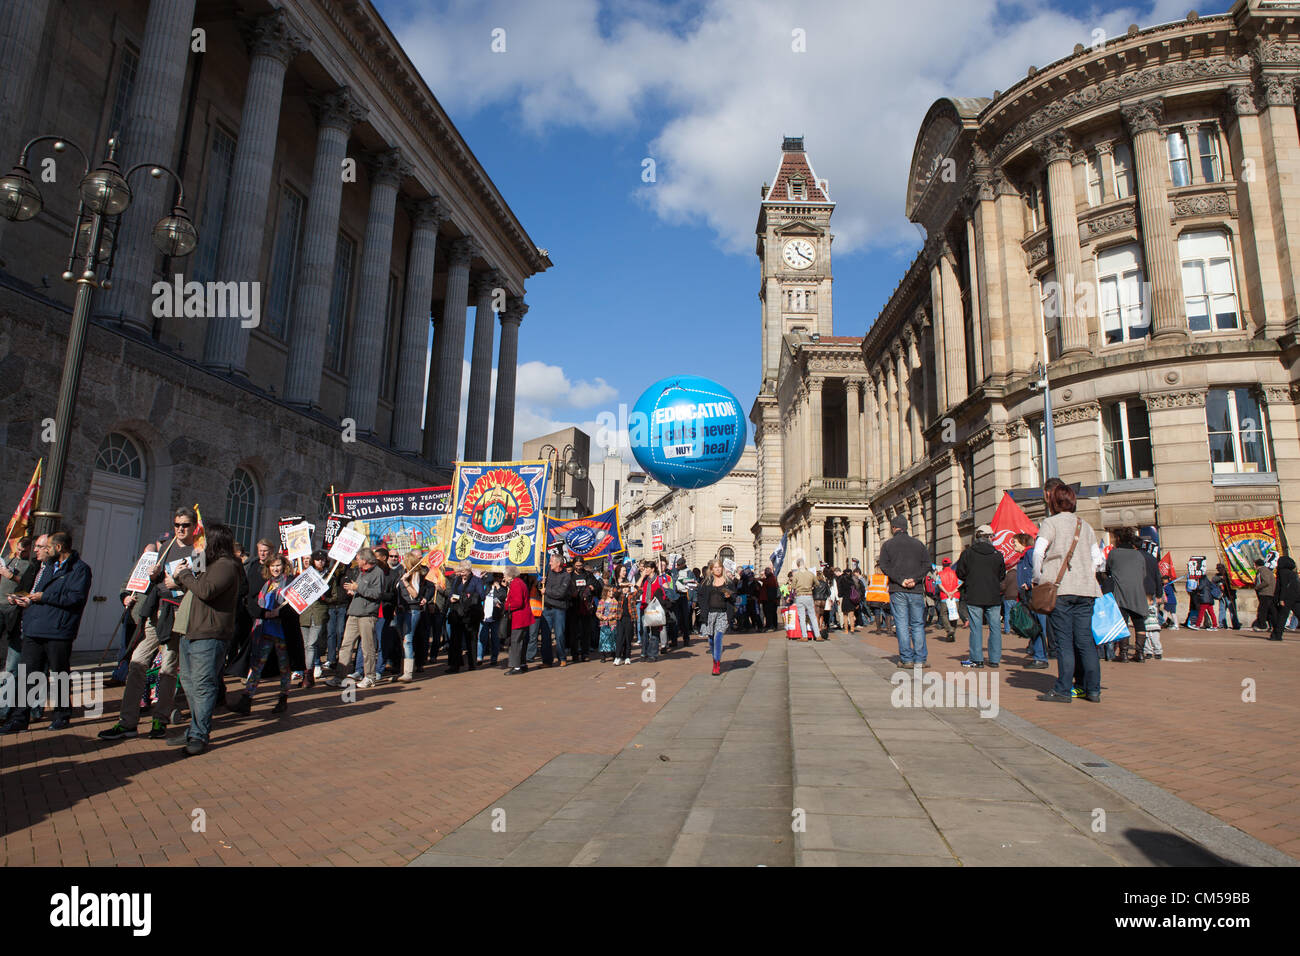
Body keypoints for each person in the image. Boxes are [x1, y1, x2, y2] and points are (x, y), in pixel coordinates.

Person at [1, 531, 92, 733]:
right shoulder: (46, 567)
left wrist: (44, 597)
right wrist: (26, 600)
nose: (43, 551)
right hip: (35, 627)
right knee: (27, 675)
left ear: (58, 548)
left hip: (59, 630)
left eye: (48, 547)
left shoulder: (80, 570)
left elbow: (75, 598)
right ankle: (19, 718)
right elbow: (36, 592)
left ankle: (61, 715)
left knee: (59, 673)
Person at [163, 523, 240, 756]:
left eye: (203, 540)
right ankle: (194, 729)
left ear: (216, 541)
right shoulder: (209, 563)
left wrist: (184, 574)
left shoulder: (227, 565)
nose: (200, 543)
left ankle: (199, 735)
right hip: (192, 630)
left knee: (203, 685)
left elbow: (206, 590)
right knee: (189, 682)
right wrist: (187, 572)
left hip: (210, 633)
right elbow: (195, 587)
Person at [1034, 483, 1104, 703]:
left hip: (1060, 589)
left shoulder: (1050, 523)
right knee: (1085, 640)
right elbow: (1099, 560)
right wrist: (1087, 574)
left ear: (1053, 501)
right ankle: (1092, 689)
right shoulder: (1086, 525)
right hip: (1086, 589)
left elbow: (1038, 552)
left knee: (1064, 641)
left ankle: (1064, 689)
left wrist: (1038, 577)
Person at [230, 553, 293, 715]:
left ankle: (283, 698)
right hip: (264, 631)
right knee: (256, 666)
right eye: (272, 566)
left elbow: (293, 608)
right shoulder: (267, 584)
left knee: (284, 667)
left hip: (282, 634)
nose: (275, 568)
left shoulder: (289, 583)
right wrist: (265, 613)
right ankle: (246, 700)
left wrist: (278, 613)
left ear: (283, 565)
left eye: (278, 565)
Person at [327, 548, 385, 688]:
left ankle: (369, 676)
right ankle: (340, 676)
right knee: (346, 645)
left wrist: (357, 588)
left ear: (364, 560)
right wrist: (354, 591)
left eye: (358, 558)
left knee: (367, 647)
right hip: (354, 613)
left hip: (367, 615)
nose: (356, 561)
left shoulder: (378, 573)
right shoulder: (361, 572)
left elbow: (377, 594)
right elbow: (362, 590)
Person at [878, 514, 930, 667]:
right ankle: (920, 659)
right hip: (916, 589)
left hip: (897, 588)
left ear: (894, 528)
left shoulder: (888, 545)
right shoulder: (918, 544)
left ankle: (906, 659)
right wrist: (914, 578)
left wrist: (901, 580)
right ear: (906, 528)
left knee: (901, 623)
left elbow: (884, 566)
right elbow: (927, 565)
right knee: (917, 624)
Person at [954, 524, 1006, 668]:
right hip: (993, 595)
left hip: (974, 594)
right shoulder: (998, 554)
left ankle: (977, 659)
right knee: (995, 627)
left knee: (976, 628)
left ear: (977, 537)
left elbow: (960, 573)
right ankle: (995, 659)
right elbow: (1002, 575)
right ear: (990, 537)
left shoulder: (968, 553)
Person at [0, 536, 38, 723]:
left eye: (25, 551)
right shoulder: (8, 560)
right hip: (8, 613)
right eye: (19, 549)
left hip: (24, 619)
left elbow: (30, 588)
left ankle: (31, 710)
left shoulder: (32, 566)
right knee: (11, 666)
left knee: (23, 667)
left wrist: (12, 578)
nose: (21, 553)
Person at [1105, 528, 1153, 662]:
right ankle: (1140, 653)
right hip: (1137, 592)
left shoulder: (1114, 553)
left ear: (1118, 539)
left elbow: (1108, 569)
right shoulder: (1139, 555)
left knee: (1123, 623)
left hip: (1121, 592)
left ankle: (1124, 653)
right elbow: (1143, 574)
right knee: (1139, 623)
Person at [1012, 533, 1050, 668]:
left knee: (1038, 626)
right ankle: (1038, 654)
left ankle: (1041, 657)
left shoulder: (1030, 554)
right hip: (1028, 595)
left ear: (1023, 542)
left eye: (1015, 542)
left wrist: (1029, 582)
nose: (1013, 545)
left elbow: (1039, 569)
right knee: (1035, 625)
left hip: (1034, 594)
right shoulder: (1023, 556)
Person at [297, 550, 332, 688]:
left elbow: (334, 596)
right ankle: (308, 675)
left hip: (318, 613)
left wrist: (325, 598)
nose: (320, 562)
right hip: (305, 614)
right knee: (306, 645)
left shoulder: (329, 577)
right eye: (318, 559)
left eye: (323, 559)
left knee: (311, 645)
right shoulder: (305, 574)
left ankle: (308, 674)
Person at [695, 559, 734, 675]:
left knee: (718, 638)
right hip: (710, 614)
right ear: (711, 570)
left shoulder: (728, 582)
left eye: (719, 567)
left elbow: (734, 596)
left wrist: (729, 596)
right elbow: (700, 596)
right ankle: (714, 657)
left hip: (723, 613)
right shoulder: (706, 582)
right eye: (715, 567)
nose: (718, 569)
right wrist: (703, 608)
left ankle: (716, 663)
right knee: (711, 639)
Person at [445, 561, 485, 673]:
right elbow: (452, 592)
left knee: (471, 639)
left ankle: (472, 664)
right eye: (460, 571)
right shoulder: (457, 580)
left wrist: (465, 597)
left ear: (469, 570)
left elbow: (481, 595)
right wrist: (451, 598)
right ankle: (454, 665)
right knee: (455, 640)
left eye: (464, 572)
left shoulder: (476, 581)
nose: (462, 574)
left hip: (471, 615)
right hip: (457, 613)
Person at [395, 552, 428, 681]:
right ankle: (402, 670)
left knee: (407, 640)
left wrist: (406, 582)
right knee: (402, 639)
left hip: (412, 610)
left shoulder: (415, 575)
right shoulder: (403, 573)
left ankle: (408, 672)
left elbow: (415, 594)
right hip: (401, 610)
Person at [542, 553, 573, 666]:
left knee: (559, 634)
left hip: (559, 609)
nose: (549, 563)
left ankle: (562, 658)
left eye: (551, 561)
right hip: (547, 608)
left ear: (558, 563)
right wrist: (541, 585)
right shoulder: (548, 572)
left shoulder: (566, 576)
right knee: (545, 635)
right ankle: (547, 660)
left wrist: (547, 592)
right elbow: (544, 588)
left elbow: (561, 593)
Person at [501, 566, 532, 674]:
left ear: (510, 575)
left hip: (519, 617)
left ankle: (516, 666)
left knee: (515, 641)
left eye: (505, 574)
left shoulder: (515, 584)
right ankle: (522, 663)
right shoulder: (519, 582)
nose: (503, 576)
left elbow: (518, 602)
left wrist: (506, 606)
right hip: (523, 616)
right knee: (521, 641)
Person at [638, 560, 668, 662]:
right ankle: (644, 653)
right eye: (644, 568)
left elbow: (666, 592)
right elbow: (636, 588)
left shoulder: (659, 580)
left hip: (655, 609)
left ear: (653, 569)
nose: (645, 569)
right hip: (644, 607)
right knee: (644, 631)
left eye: (647, 568)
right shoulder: (645, 580)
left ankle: (653, 654)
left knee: (655, 632)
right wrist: (642, 576)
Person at [570, 557, 598, 662]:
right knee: (574, 632)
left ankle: (585, 653)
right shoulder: (570, 576)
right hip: (574, 607)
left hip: (586, 607)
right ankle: (575, 654)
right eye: (576, 565)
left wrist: (592, 587)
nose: (578, 567)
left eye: (580, 565)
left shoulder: (588, 575)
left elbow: (597, 586)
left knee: (585, 631)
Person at [789, 556, 820, 641]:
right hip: (809, 596)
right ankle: (818, 635)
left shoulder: (796, 575)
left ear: (798, 565)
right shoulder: (810, 574)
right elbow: (817, 583)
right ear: (804, 564)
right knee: (812, 616)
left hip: (800, 596)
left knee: (802, 617)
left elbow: (793, 586)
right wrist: (812, 586)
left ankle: (804, 636)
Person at [1270, 556, 1299, 642]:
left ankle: (1277, 635)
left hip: (1287, 597)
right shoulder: (1293, 573)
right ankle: (1276, 634)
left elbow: (1283, 586)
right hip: (1296, 597)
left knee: (1282, 617)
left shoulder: (1282, 572)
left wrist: (1281, 599)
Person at [936, 557, 962, 642]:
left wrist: (947, 592)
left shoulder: (940, 574)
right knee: (954, 614)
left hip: (944, 596)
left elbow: (939, 584)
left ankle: (949, 629)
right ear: (950, 564)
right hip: (955, 596)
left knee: (944, 614)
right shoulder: (955, 573)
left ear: (943, 565)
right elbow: (960, 583)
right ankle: (952, 632)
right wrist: (952, 591)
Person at [595, 585, 620, 664]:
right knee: (603, 639)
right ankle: (603, 655)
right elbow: (598, 612)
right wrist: (602, 617)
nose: (611, 593)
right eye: (609, 591)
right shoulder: (602, 601)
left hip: (613, 623)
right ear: (606, 592)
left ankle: (613, 654)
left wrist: (613, 616)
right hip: (604, 623)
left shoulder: (615, 601)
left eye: (612, 591)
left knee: (613, 639)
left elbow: (618, 612)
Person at [1213, 563, 1240, 630]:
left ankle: (1235, 624)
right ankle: (1222, 624)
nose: (1219, 570)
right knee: (1222, 609)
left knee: (1232, 610)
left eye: (1220, 568)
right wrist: (1221, 579)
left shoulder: (1229, 575)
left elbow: (1233, 584)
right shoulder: (1218, 576)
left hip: (1230, 595)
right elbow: (1214, 580)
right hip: (1222, 595)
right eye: (1218, 569)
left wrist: (1225, 580)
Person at [1253, 559, 1276, 631]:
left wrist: (1257, 587)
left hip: (1265, 593)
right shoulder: (1264, 570)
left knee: (1262, 610)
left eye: (1254, 564)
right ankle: (1273, 625)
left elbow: (1266, 581)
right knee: (1270, 610)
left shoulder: (1263, 571)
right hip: (1267, 593)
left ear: (1256, 565)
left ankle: (1262, 626)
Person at [838, 565, 859, 635]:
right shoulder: (853, 580)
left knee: (845, 615)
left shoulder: (841, 580)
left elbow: (840, 593)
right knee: (851, 615)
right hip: (851, 599)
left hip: (845, 599)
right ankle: (852, 628)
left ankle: (846, 629)